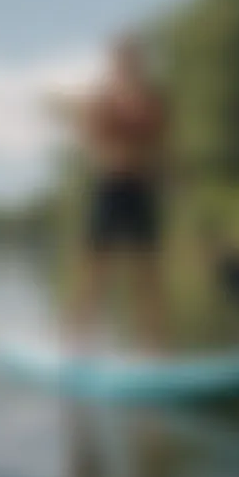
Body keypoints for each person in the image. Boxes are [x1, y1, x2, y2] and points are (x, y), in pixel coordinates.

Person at [45, 33, 169, 354]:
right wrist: (108, 144)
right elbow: (90, 141)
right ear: (114, 64)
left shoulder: (152, 99)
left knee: (147, 272)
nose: (129, 66)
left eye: (134, 60)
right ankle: (72, 343)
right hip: (110, 188)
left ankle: (151, 348)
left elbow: (161, 142)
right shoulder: (101, 100)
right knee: (94, 270)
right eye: (123, 60)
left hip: (141, 189)